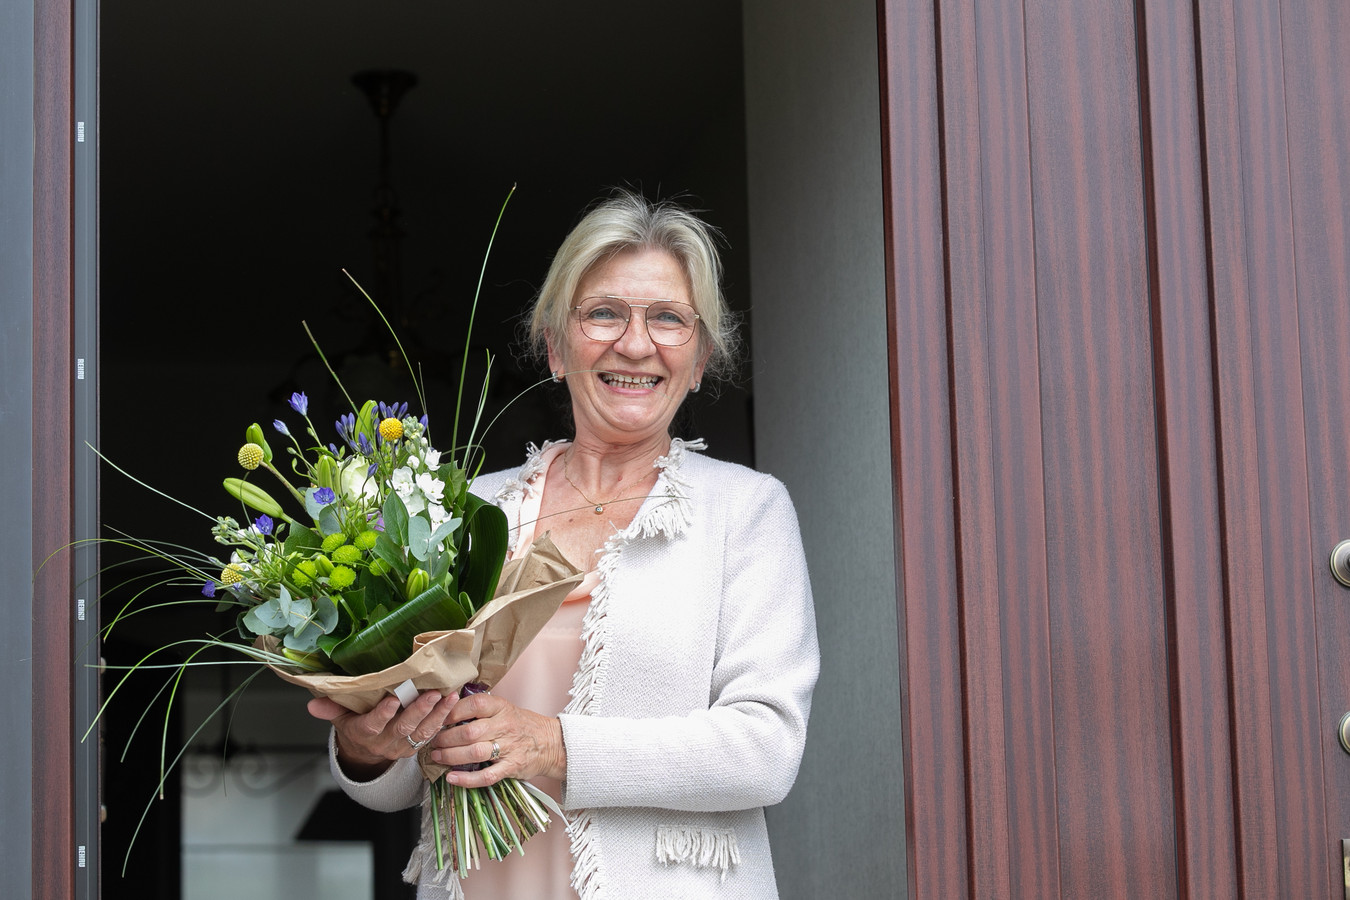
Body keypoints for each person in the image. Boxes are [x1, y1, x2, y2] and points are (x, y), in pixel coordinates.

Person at [307, 190, 819, 899]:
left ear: (700, 358)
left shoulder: (745, 511)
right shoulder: (461, 509)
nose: (635, 344)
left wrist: (550, 743)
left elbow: (766, 749)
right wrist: (366, 747)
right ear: (554, 347)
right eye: (603, 313)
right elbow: (399, 772)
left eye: (668, 318)